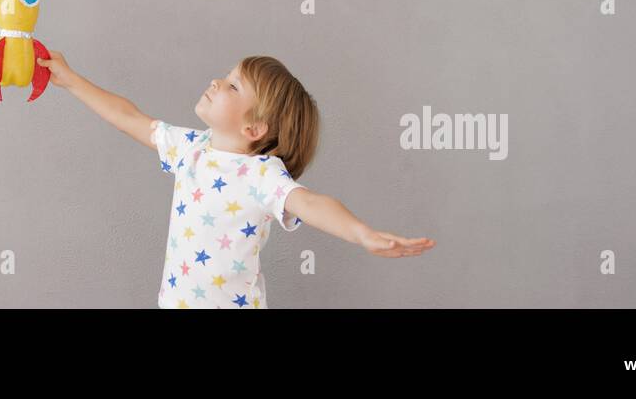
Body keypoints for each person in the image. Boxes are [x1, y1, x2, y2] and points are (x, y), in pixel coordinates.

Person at [35, 51, 435, 307]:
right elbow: (128, 117)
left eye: (232, 85)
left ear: (254, 128)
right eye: (224, 76)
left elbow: (310, 203)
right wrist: (70, 79)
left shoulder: (262, 175)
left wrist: (362, 234)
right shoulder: (190, 148)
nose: (216, 82)